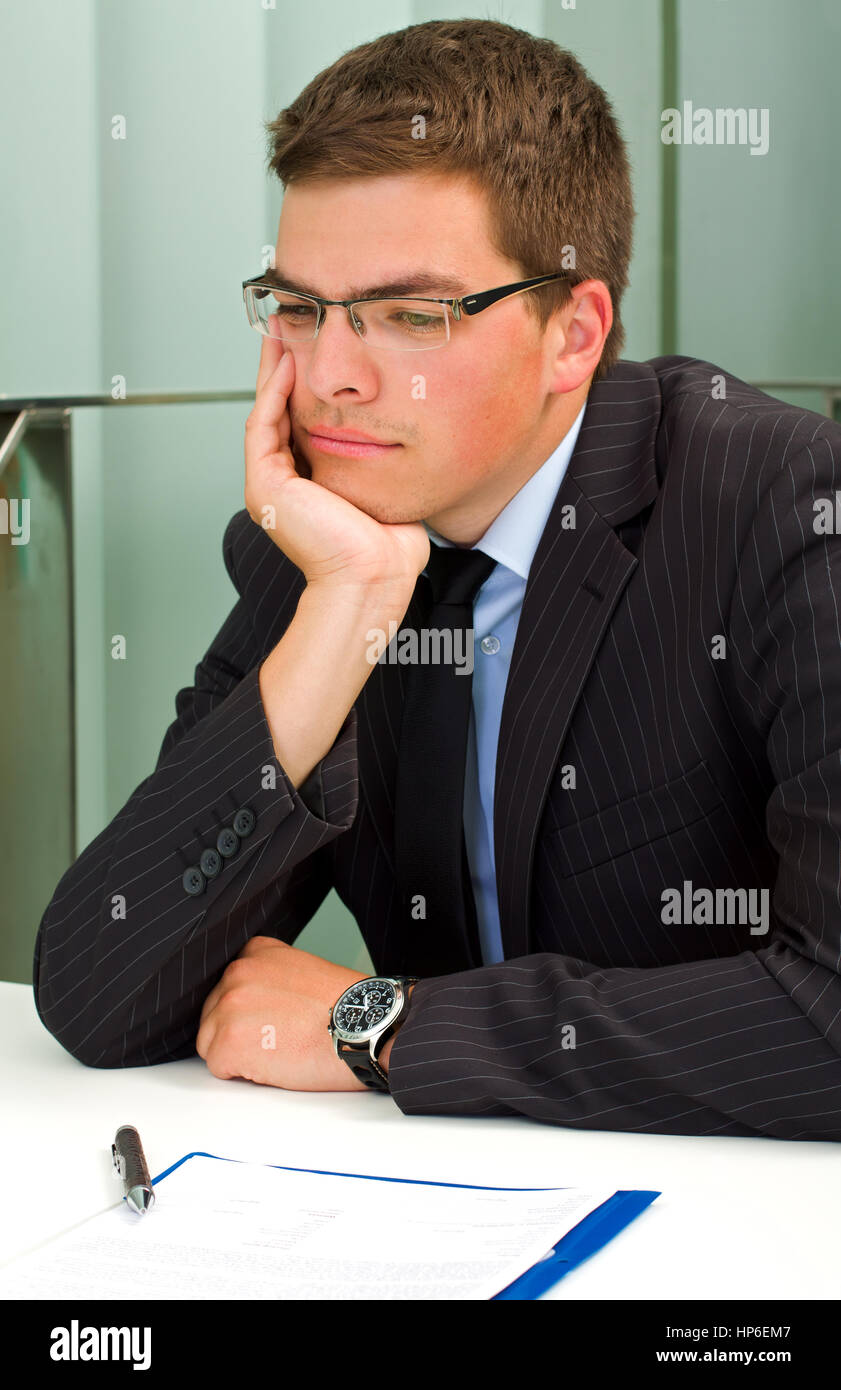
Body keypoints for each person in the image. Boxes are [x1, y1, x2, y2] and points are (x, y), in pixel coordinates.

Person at [34, 18, 841, 1138]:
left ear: (574, 333)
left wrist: (393, 1026)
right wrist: (348, 607)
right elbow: (97, 989)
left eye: (410, 316)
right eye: (300, 308)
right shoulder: (334, 539)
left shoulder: (783, 503)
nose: (331, 379)